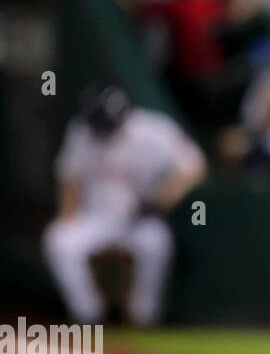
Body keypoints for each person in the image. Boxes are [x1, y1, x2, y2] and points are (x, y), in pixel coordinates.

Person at [43, 83, 207, 325]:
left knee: (156, 243)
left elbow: (194, 164)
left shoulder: (152, 129)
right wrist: (68, 213)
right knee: (59, 239)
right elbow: (69, 177)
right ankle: (87, 314)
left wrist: (169, 192)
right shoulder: (81, 131)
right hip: (96, 217)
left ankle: (144, 318)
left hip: (140, 218)